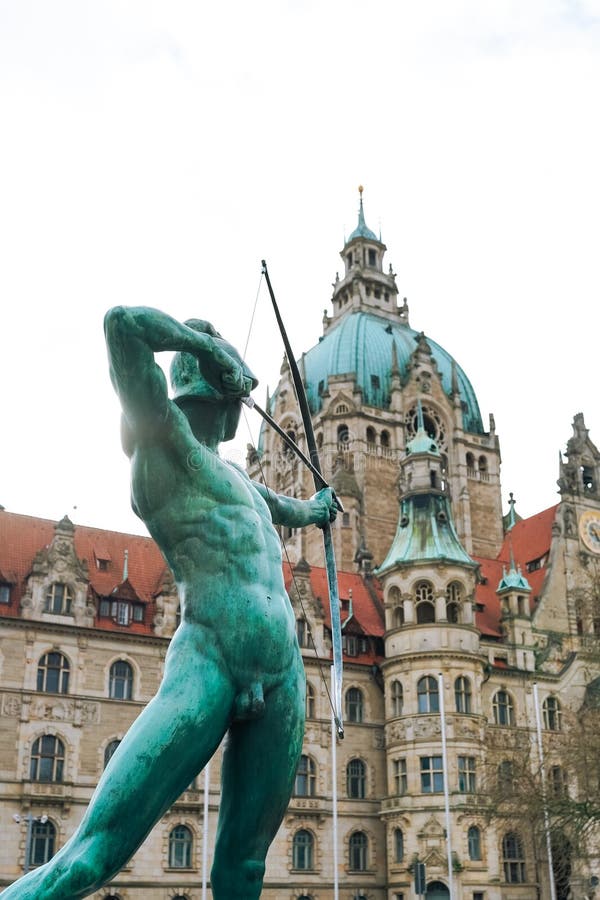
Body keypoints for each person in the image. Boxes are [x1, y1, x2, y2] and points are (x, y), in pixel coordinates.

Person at [3, 306, 337, 899]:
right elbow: (120, 325)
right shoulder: (161, 442)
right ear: (218, 389)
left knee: (246, 866)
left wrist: (317, 508)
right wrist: (204, 346)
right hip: (207, 662)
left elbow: (284, 508)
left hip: (283, 672)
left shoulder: (236, 476)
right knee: (91, 856)